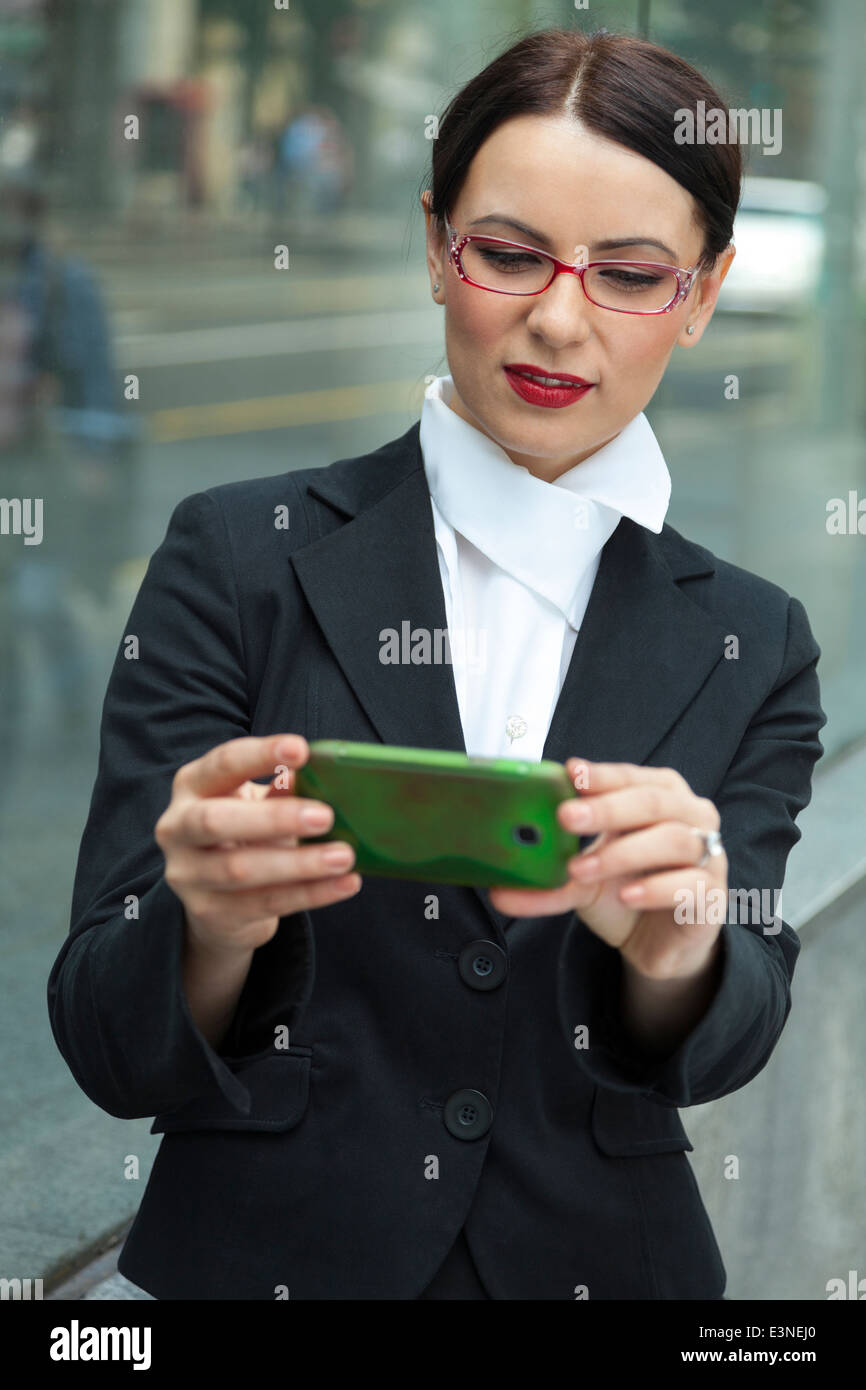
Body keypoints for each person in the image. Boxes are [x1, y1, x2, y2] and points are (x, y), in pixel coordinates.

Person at [47, 28, 826, 1300]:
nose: (557, 318)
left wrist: (681, 945)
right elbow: (100, 1033)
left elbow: (734, 1030)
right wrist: (205, 925)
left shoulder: (751, 634)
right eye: (507, 254)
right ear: (432, 245)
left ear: (702, 295)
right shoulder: (239, 557)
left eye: (629, 273)